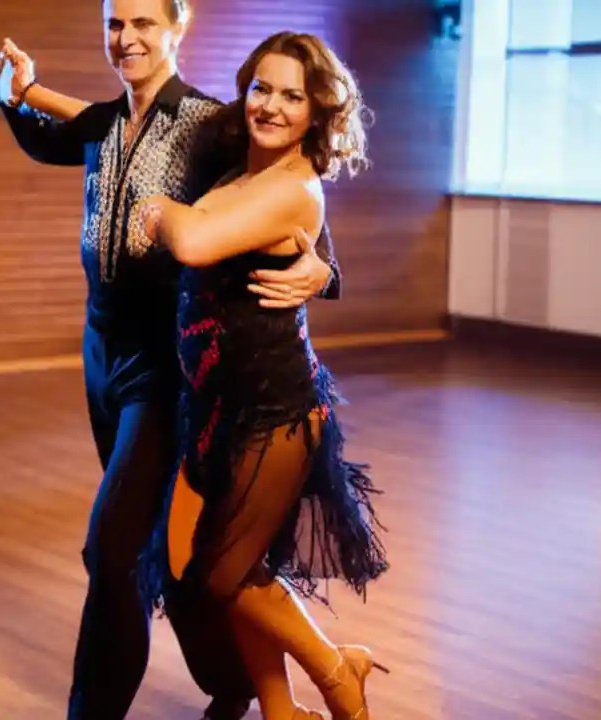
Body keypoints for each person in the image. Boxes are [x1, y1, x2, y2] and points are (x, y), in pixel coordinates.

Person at [0, 2, 341, 719]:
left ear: (180, 25)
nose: (128, 39)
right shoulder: (110, 123)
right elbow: (51, 137)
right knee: (161, 554)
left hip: (164, 364)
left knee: (112, 551)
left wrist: (328, 270)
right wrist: (12, 93)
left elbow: (284, 194)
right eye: (116, 23)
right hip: (101, 356)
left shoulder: (213, 124)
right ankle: (237, 685)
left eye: (145, 22)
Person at [129, 31, 390, 720]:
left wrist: (154, 210)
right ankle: (280, 710)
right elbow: (109, 118)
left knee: (224, 575)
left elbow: (193, 239)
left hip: (273, 413)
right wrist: (31, 97)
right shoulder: (237, 166)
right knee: (202, 567)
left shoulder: (294, 186)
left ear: (316, 112)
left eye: (292, 96)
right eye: (262, 88)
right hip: (213, 410)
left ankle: (339, 675)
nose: (271, 105)